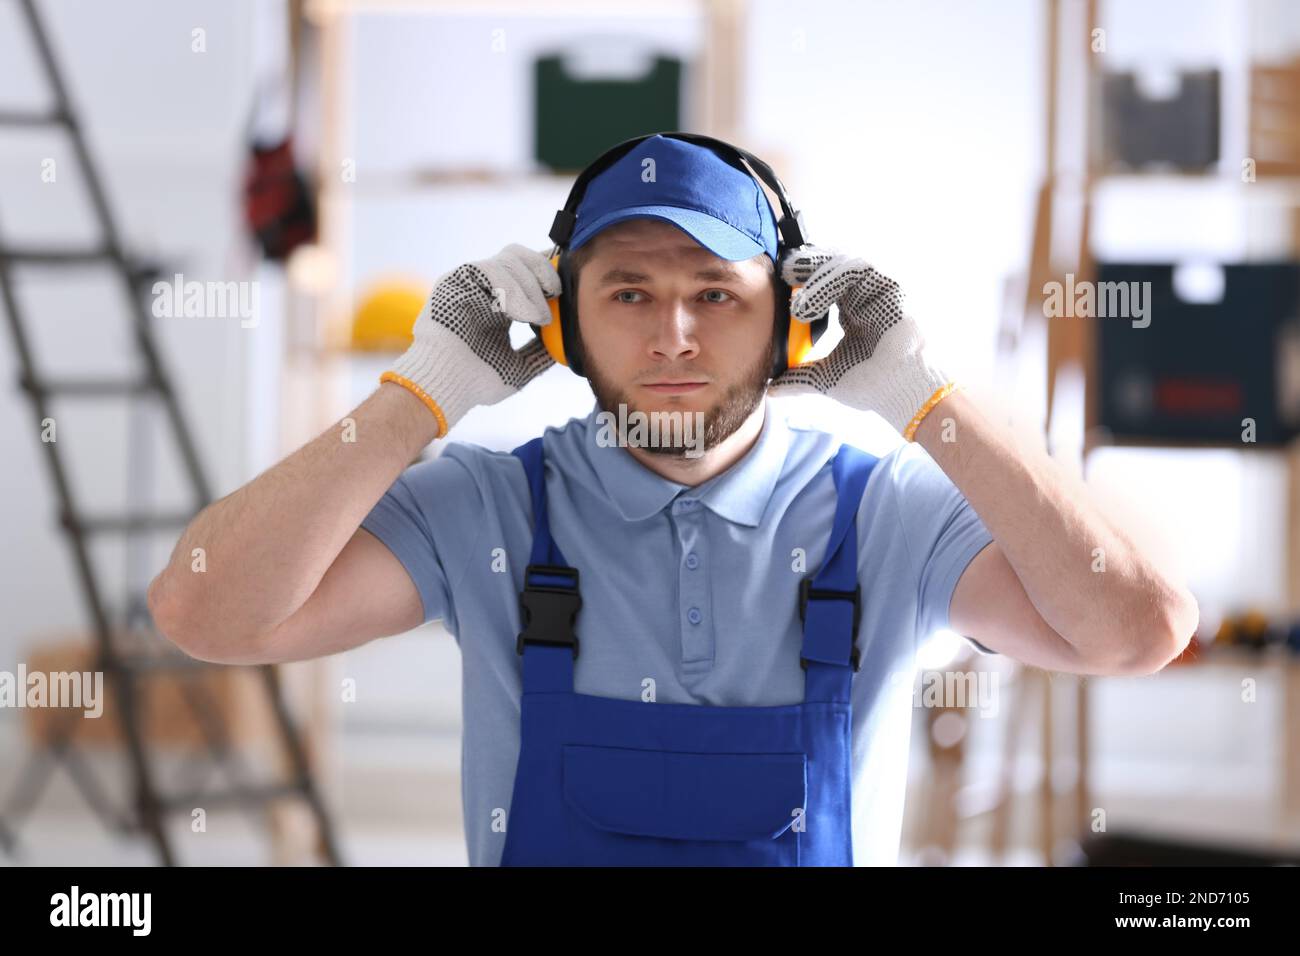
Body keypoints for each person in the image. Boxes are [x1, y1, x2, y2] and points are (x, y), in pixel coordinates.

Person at [148, 134, 1198, 866]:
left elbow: (1137, 629)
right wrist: (421, 393)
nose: (674, 337)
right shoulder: (488, 508)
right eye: (629, 293)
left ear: (789, 323)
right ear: (562, 329)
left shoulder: (890, 516)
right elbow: (206, 612)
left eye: (715, 294)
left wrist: (926, 397)